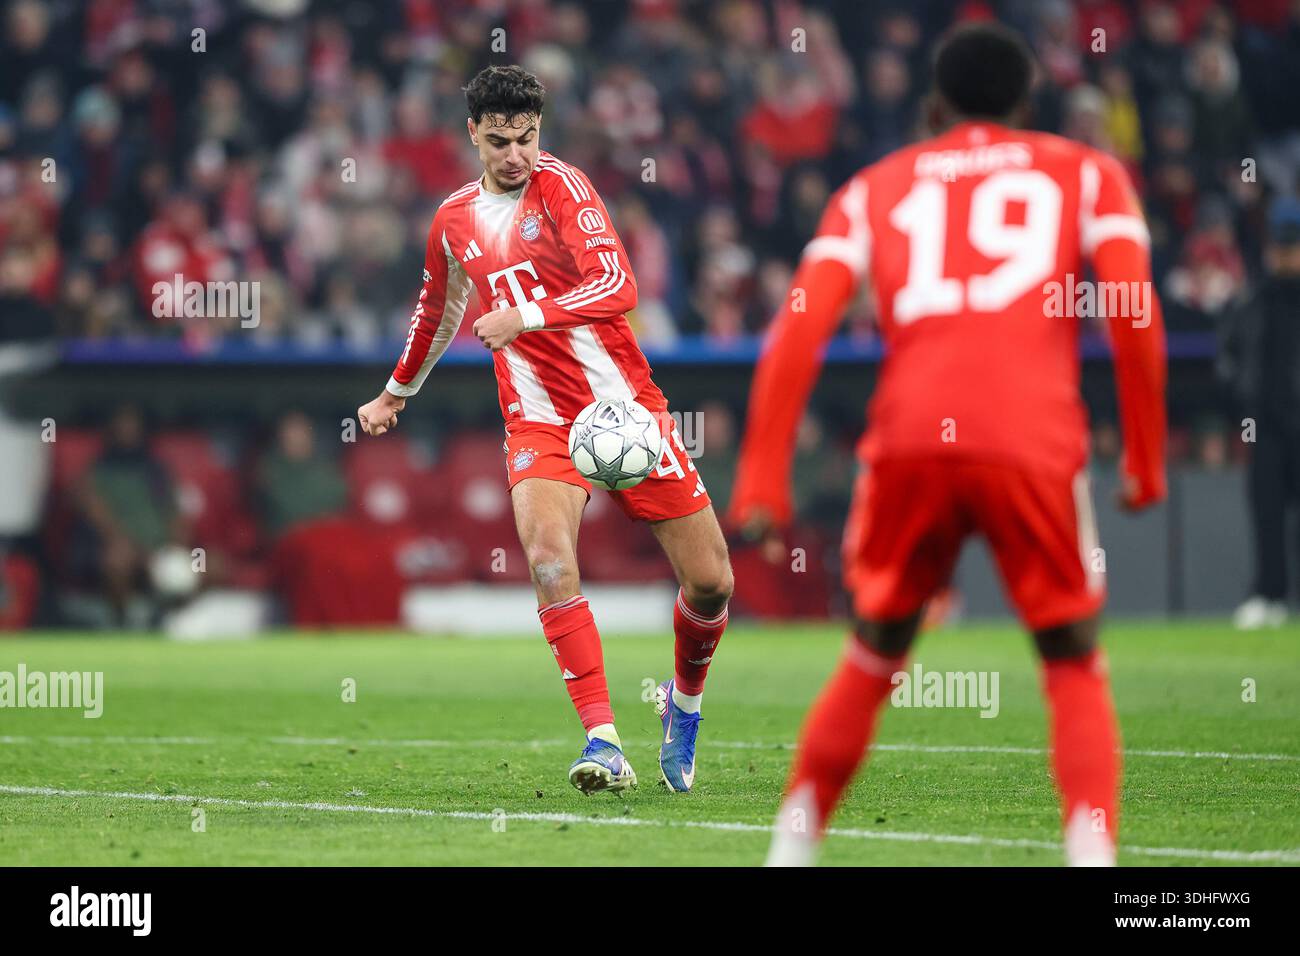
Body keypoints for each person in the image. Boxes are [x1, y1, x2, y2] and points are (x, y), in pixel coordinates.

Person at [730, 23, 1167, 866]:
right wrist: (1144, 459)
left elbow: (795, 331)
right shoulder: (1087, 172)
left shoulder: (872, 188)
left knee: (873, 651)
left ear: (933, 106)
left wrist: (761, 479)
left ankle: (789, 851)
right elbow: (1135, 314)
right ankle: (1093, 858)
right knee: (1072, 657)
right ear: (1027, 104)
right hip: (1029, 437)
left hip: (909, 438)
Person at [356, 66, 733, 795]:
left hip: (624, 409)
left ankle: (683, 709)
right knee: (550, 562)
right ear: (472, 133)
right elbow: (435, 313)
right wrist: (394, 393)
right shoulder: (454, 221)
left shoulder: (563, 187)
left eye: (527, 137)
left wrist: (524, 316)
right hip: (539, 421)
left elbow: (618, 284)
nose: (516, 155)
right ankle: (604, 743)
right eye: (499, 141)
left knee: (713, 583)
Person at [1220, 197, 1300, 629]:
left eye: (1293, 246)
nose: (1286, 255)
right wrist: (1240, 394)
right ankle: (1269, 595)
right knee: (1266, 514)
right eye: (1281, 246)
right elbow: (1228, 353)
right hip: (1264, 426)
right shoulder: (1253, 297)